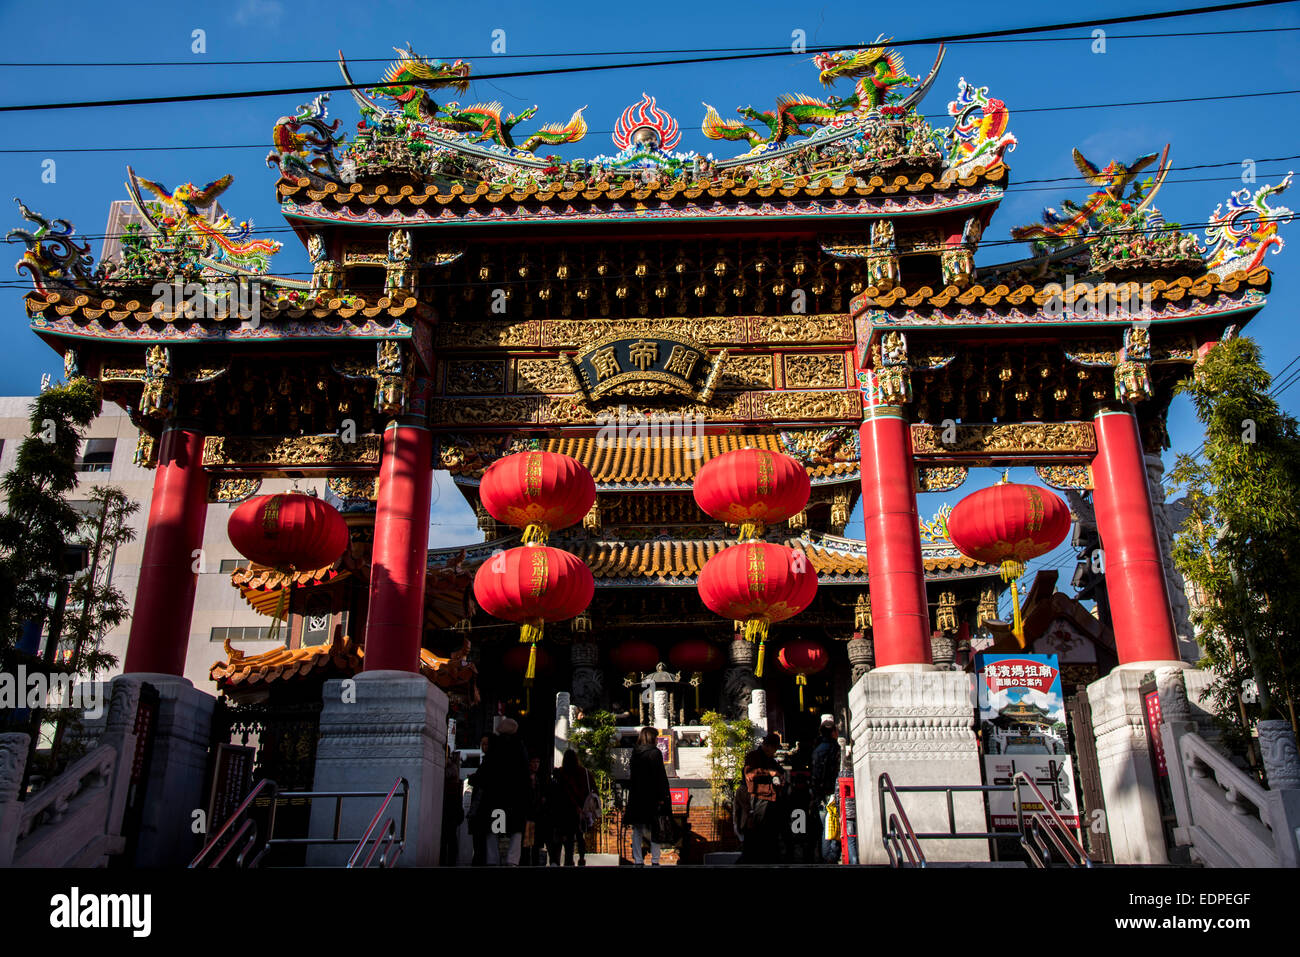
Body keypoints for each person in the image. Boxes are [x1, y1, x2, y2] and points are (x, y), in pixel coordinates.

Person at [479, 718, 530, 865]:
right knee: (515, 830)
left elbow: (486, 772)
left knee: (495, 829)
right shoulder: (519, 747)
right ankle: (512, 860)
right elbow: (525, 774)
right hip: (516, 798)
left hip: (496, 797)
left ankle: (493, 859)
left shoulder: (495, 747)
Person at [624, 726, 670, 865]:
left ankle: (638, 859)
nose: (657, 740)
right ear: (651, 738)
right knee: (655, 827)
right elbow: (659, 776)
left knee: (637, 829)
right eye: (656, 737)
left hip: (637, 796)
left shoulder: (635, 753)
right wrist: (662, 797)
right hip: (652, 796)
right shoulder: (654, 753)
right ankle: (655, 859)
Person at [739, 732, 784, 864]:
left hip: (770, 797)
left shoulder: (771, 760)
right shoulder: (753, 757)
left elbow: (779, 771)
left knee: (769, 833)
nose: (774, 752)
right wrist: (768, 772)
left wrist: (779, 776)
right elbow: (750, 775)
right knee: (758, 832)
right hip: (758, 797)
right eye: (774, 749)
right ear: (768, 746)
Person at [547, 749, 594, 866]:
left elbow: (556, 792)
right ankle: (581, 858)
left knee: (564, 838)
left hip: (564, 811)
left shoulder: (560, 773)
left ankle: (562, 860)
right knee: (579, 836)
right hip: (581, 811)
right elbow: (593, 789)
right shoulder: (585, 773)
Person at [811, 718, 843, 865]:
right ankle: (832, 854)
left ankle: (825, 855)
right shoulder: (834, 747)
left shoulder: (817, 749)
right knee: (834, 823)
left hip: (820, 792)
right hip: (832, 790)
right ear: (833, 732)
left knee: (825, 824)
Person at [467, 734, 491, 866]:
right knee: (482, 843)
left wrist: (473, 778)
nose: (483, 746)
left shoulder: (490, 762)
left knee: (482, 843)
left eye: (486, 743)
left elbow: (481, 780)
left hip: (484, 808)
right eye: (482, 743)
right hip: (484, 808)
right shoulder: (487, 761)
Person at [441, 750, 464, 866]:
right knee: (449, 837)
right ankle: (448, 861)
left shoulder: (450, 768)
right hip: (450, 806)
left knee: (448, 836)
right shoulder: (450, 768)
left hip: (449, 806)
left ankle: (448, 862)